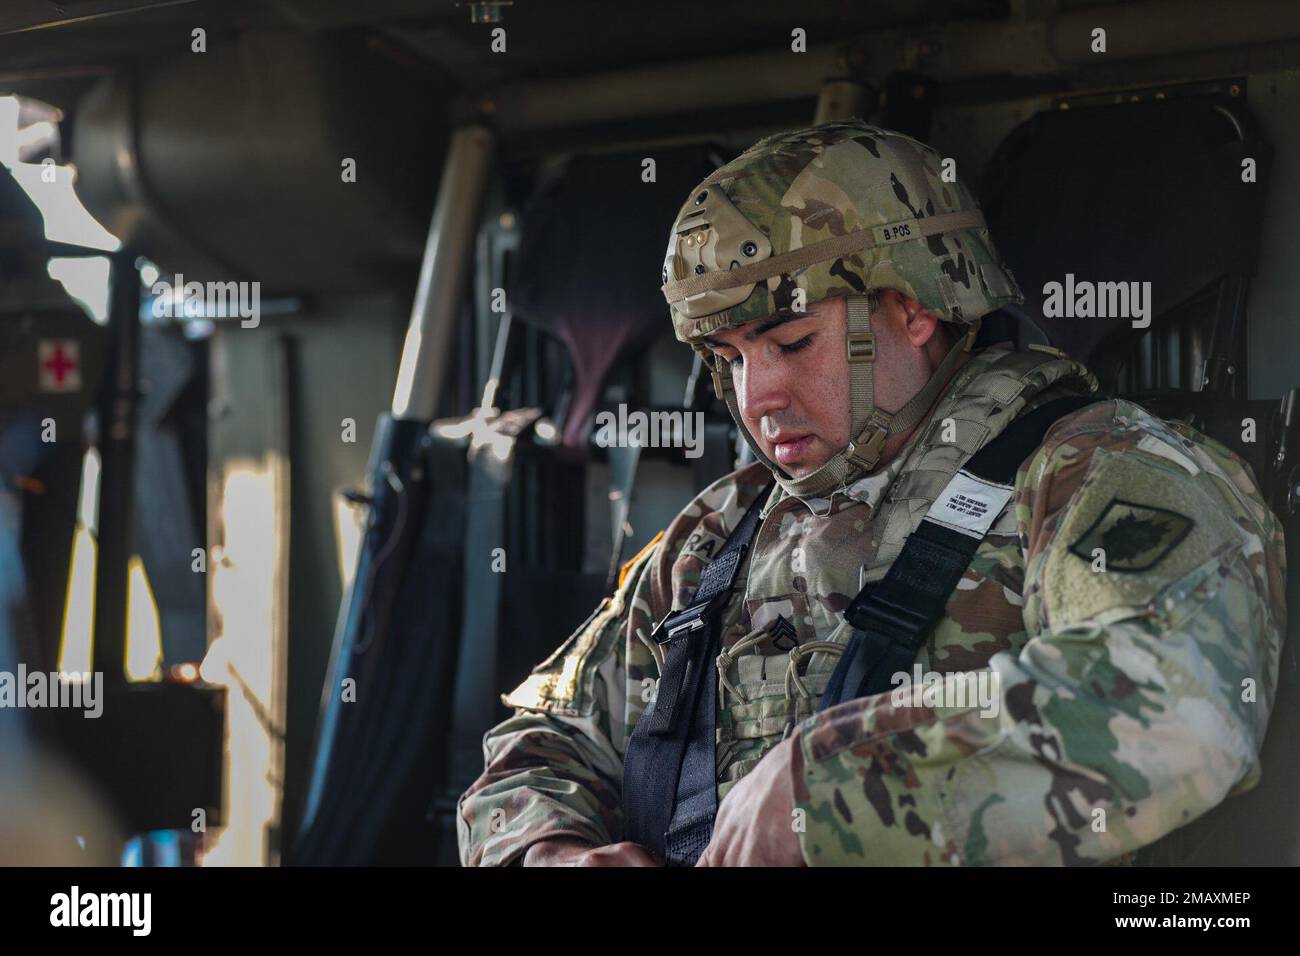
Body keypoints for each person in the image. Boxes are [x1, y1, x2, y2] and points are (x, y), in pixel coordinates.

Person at [456, 120, 1287, 866]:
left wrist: (828, 787)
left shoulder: (1095, 474)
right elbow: (540, 742)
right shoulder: (720, 531)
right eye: (731, 358)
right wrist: (551, 852)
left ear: (912, 309)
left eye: (791, 342)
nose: (756, 397)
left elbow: (1177, 707)